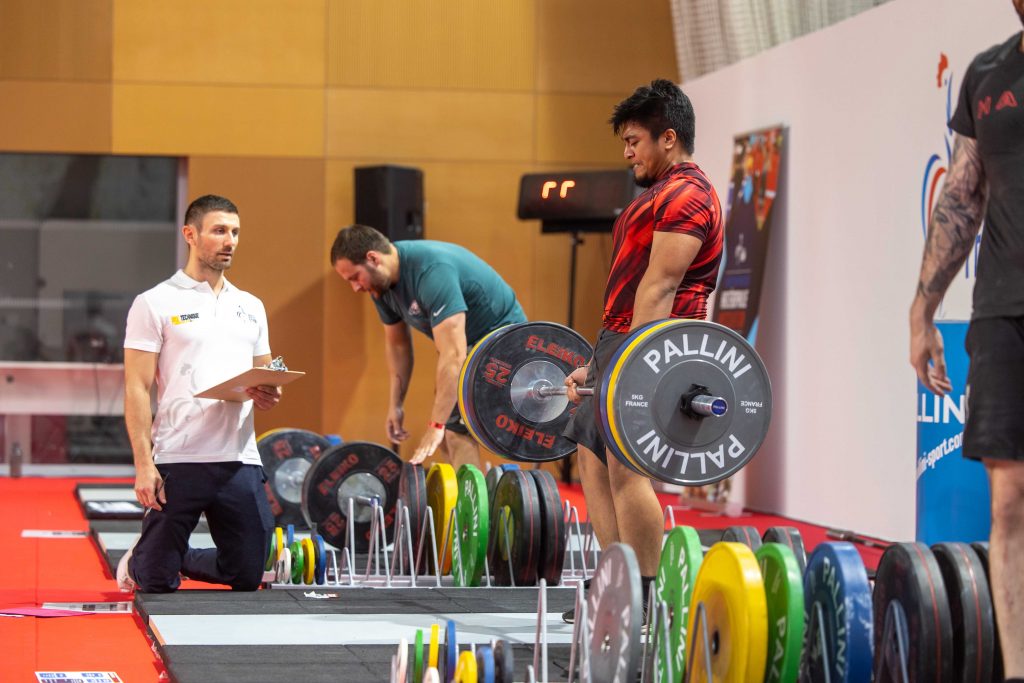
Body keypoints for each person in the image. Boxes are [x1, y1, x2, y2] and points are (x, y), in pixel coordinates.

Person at [562, 79, 724, 620]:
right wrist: (598, 358)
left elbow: (660, 286)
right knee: (592, 457)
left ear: (669, 139)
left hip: (656, 344)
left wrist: (637, 363)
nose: (628, 152)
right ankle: (617, 583)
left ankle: (648, 597)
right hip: (623, 341)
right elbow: (628, 289)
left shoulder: (688, 194)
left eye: (635, 140)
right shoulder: (658, 195)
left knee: (629, 467)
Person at [909, 7, 1024, 677]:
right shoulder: (987, 72)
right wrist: (923, 309)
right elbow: (961, 195)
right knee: (1008, 498)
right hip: (1005, 310)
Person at [118, 194, 282, 593]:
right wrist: (144, 464)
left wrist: (269, 392)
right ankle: (144, 561)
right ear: (190, 234)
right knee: (156, 580)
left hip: (238, 457)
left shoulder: (251, 306)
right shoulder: (154, 303)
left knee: (247, 574)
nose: (230, 241)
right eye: (219, 231)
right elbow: (137, 388)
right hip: (179, 454)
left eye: (236, 232)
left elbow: (265, 373)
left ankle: (178, 557)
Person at [330, 226, 526, 468]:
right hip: (469, 348)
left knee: (452, 428)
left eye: (354, 277)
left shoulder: (431, 272)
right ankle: (460, 494)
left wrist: (436, 425)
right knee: (443, 432)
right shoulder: (380, 286)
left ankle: (471, 505)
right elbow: (398, 346)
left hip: (505, 341)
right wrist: (396, 405)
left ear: (373, 258)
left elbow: (454, 356)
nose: (355, 288)